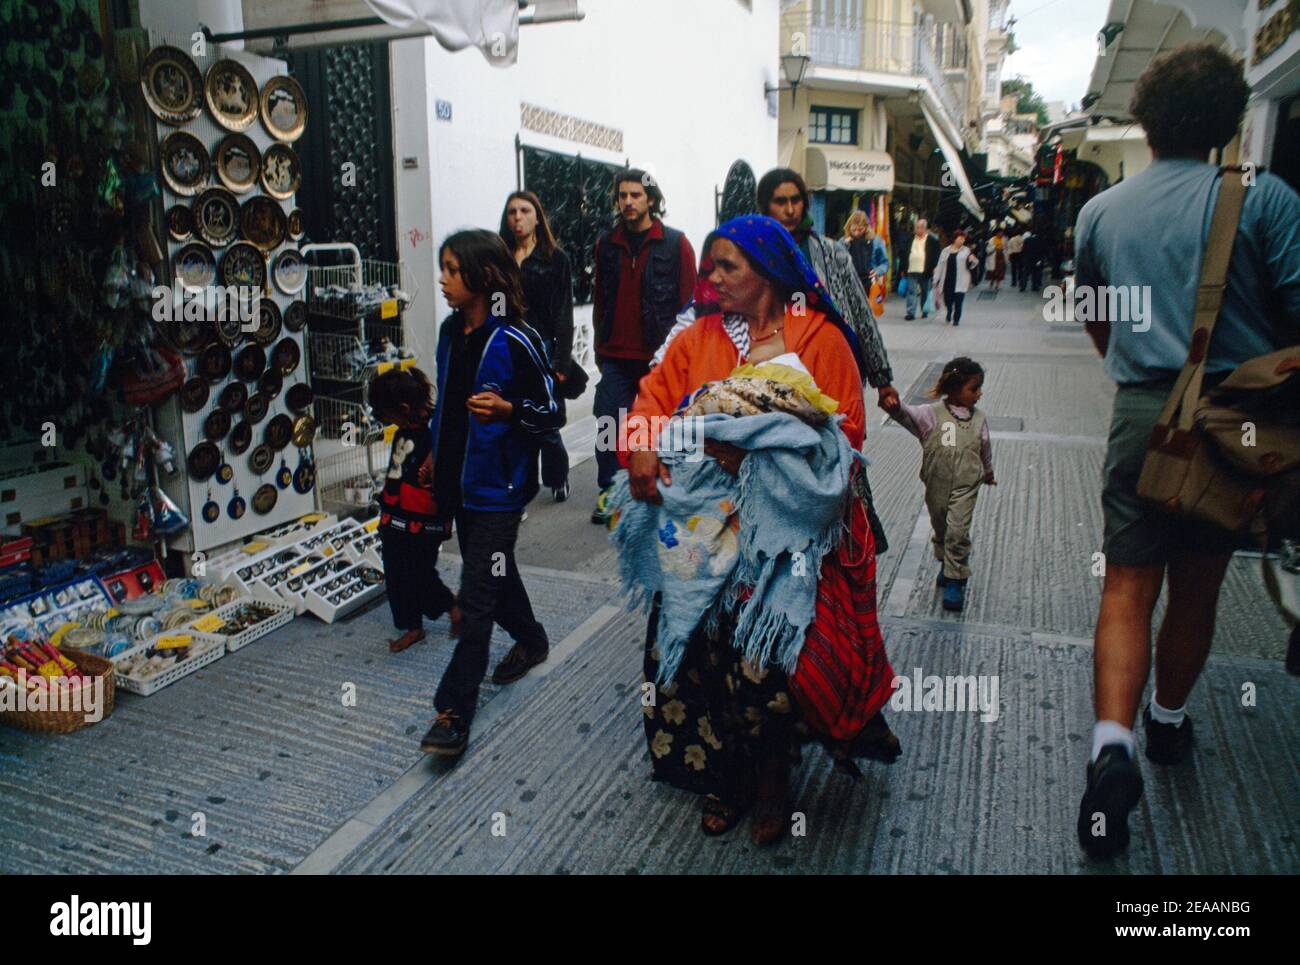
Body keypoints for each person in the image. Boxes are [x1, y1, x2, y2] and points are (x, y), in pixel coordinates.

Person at [1071, 43, 1300, 860]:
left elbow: (1097, 320)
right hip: (1233, 425)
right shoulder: (1266, 201)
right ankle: (1167, 725)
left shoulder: (1103, 211)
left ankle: (1110, 746)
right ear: (1231, 121)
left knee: (1127, 586)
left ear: (1146, 117)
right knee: (1196, 584)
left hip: (1142, 413)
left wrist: (1142, 367)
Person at [619, 215, 899, 845]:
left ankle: (772, 783)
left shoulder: (823, 339)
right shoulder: (696, 337)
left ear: (769, 272)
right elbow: (650, 400)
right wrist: (639, 445)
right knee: (689, 657)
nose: (711, 278)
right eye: (709, 266)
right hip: (701, 533)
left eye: (727, 266)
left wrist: (757, 461)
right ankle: (720, 777)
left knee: (762, 665)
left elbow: (844, 441)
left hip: (780, 542)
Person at [418, 229, 565, 759]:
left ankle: (454, 711)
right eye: (444, 267)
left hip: (501, 490)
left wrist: (508, 412)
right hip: (458, 482)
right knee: (496, 576)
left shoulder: (519, 338)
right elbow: (447, 404)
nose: (443, 278)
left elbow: (553, 413)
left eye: (453, 269)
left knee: (476, 595)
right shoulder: (448, 332)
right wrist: (435, 452)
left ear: (482, 276)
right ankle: (532, 638)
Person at [589, 168, 696, 525]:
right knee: (608, 419)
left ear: (650, 199)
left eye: (636, 195)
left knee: (667, 421)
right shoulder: (607, 243)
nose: (628, 202)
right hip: (617, 354)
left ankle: (672, 482)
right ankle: (609, 487)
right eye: (622, 195)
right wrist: (601, 347)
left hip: (659, 354)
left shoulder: (675, 243)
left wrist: (682, 352)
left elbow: (689, 303)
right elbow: (600, 298)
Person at [755, 169, 898, 409]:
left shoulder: (832, 252)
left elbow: (861, 315)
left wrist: (882, 379)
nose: (790, 210)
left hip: (832, 368)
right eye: (780, 201)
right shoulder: (752, 256)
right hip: (772, 376)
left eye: (795, 200)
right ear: (765, 206)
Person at [882, 358, 995, 612]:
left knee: (958, 530)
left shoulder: (979, 419)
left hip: (967, 484)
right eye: (974, 388)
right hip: (937, 484)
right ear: (954, 389)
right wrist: (892, 405)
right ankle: (948, 563)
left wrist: (988, 472)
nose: (979, 394)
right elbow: (905, 414)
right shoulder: (931, 415)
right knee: (942, 526)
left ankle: (956, 578)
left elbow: (985, 448)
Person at [369, 366, 461, 654]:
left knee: (420, 573)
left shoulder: (436, 433)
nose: (381, 420)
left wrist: (435, 462)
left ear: (404, 408)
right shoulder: (402, 431)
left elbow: (457, 444)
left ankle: (452, 607)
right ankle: (412, 626)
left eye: (384, 414)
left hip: (422, 521)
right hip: (395, 517)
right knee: (395, 574)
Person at [499, 190, 575, 502]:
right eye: (512, 212)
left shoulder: (555, 259)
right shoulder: (499, 257)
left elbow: (563, 313)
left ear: (537, 217)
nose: (518, 217)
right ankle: (521, 487)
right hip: (506, 345)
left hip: (541, 347)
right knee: (513, 421)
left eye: (524, 211)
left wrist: (561, 363)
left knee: (545, 422)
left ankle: (557, 477)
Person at [932, 229, 978, 326]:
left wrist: (972, 260)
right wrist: (936, 279)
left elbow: (974, 263)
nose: (962, 241)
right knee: (947, 300)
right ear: (954, 239)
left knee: (959, 301)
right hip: (948, 280)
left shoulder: (966, 251)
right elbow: (940, 266)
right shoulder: (945, 251)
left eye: (963, 239)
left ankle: (956, 319)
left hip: (961, 281)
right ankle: (949, 311)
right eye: (960, 238)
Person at [902, 217, 941, 320]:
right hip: (911, 269)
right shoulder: (910, 239)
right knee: (911, 291)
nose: (917, 229)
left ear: (924, 229)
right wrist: (903, 268)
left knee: (925, 291)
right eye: (916, 227)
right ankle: (911, 312)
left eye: (919, 227)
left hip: (926, 270)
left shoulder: (932, 241)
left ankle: (924, 310)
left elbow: (937, 255)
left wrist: (934, 267)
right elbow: (904, 253)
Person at [843, 209, 888, 293]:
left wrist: (878, 271)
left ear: (866, 227)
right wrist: (844, 245)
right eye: (854, 230)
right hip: (849, 285)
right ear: (849, 227)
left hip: (870, 284)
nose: (857, 233)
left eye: (860, 229)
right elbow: (835, 259)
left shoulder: (876, 241)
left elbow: (884, 263)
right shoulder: (843, 241)